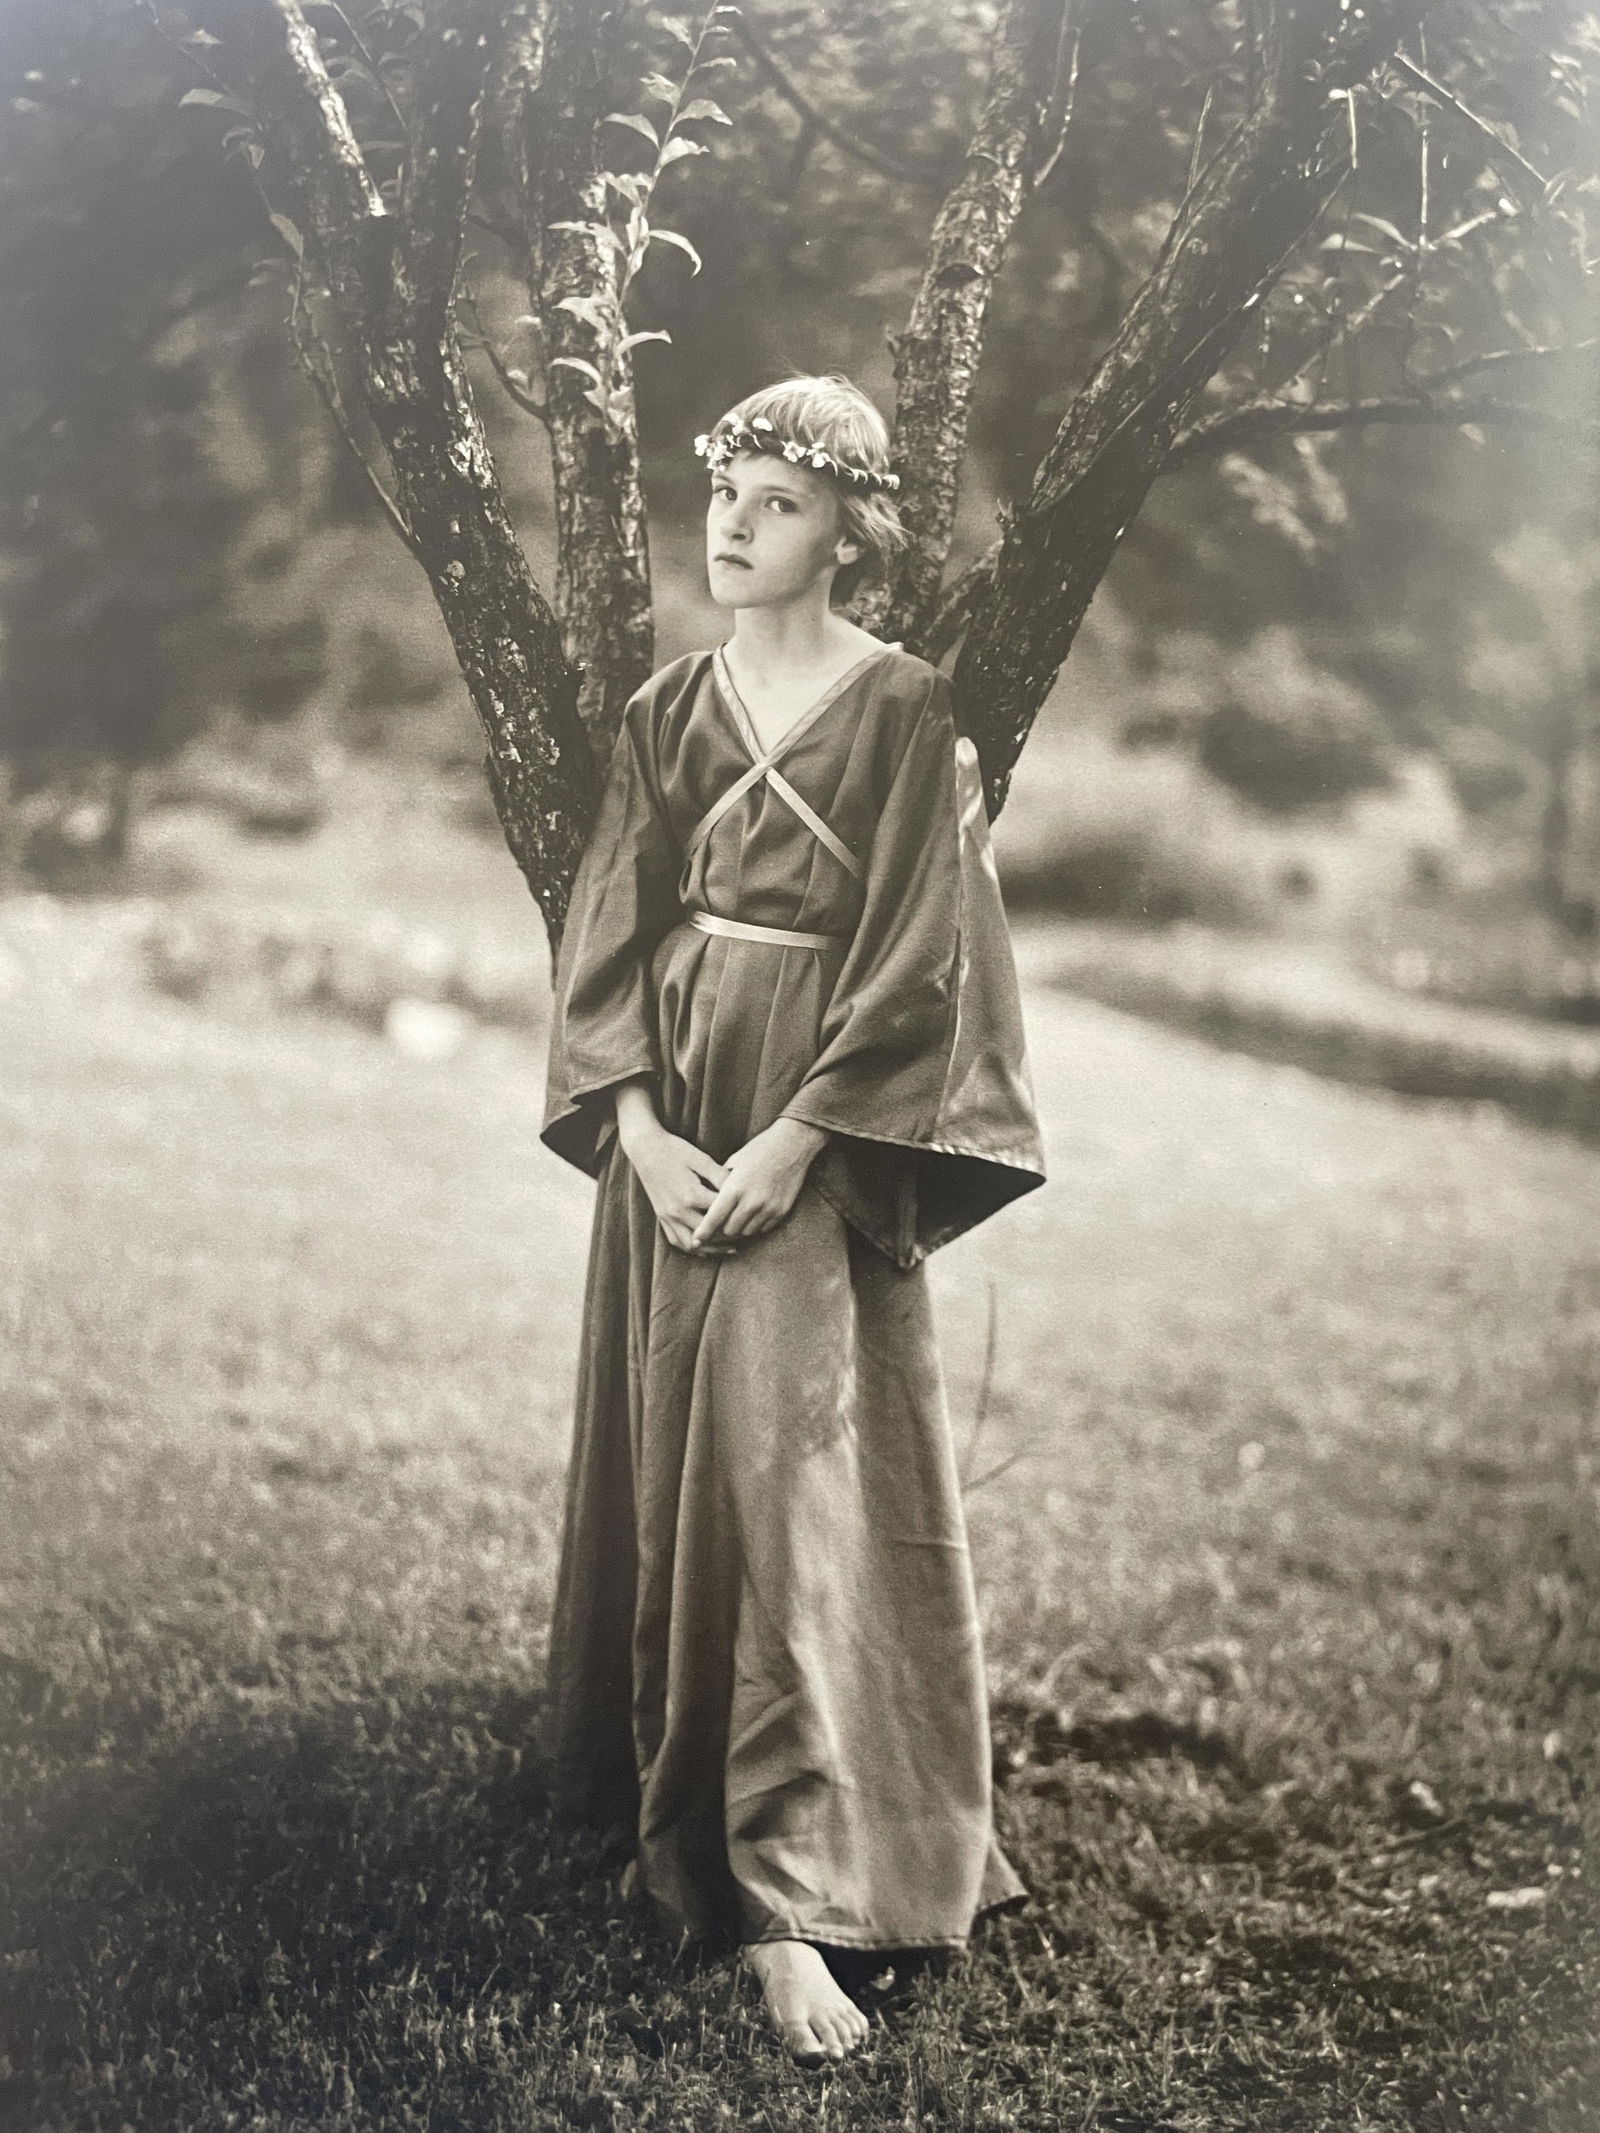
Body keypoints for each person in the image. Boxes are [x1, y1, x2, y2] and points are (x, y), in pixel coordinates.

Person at [539, 374, 1046, 2066]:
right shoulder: (667, 707)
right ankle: (669, 1796)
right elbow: (609, 925)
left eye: (781, 501)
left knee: (790, 1474)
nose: (738, 523)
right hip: (672, 1117)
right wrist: (638, 1132)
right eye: (730, 490)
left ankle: (790, 1891)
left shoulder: (909, 713)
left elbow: (927, 953)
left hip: (816, 1125)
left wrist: (797, 1146)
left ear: (853, 530)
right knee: (685, 1452)